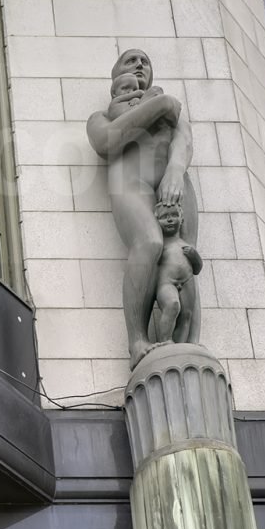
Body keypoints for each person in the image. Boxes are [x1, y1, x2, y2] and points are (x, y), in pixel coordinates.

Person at [87, 49, 199, 365]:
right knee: (149, 242)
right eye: (130, 60)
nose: (139, 64)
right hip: (131, 183)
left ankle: (184, 344)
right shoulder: (104, 115)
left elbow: (184, 141)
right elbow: (107, 140)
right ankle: (137, 339)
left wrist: (176, 170)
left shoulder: (171, 115)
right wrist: (158, 105)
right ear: (114, 81)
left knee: (183, 256)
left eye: (145, 61)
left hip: (171, 182)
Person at [151, 199, 203, 346]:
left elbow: (197, 269)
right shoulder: (159, 244)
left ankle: (180, 346)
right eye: (164, 217)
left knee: (186, 315)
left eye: (174, 215)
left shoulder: (185, 245)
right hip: (166, 282)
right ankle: (165, 340)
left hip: (187, 280)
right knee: (172, 304)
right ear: (157, 221)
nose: (169, 220)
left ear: (182, 218)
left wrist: (195, 257)